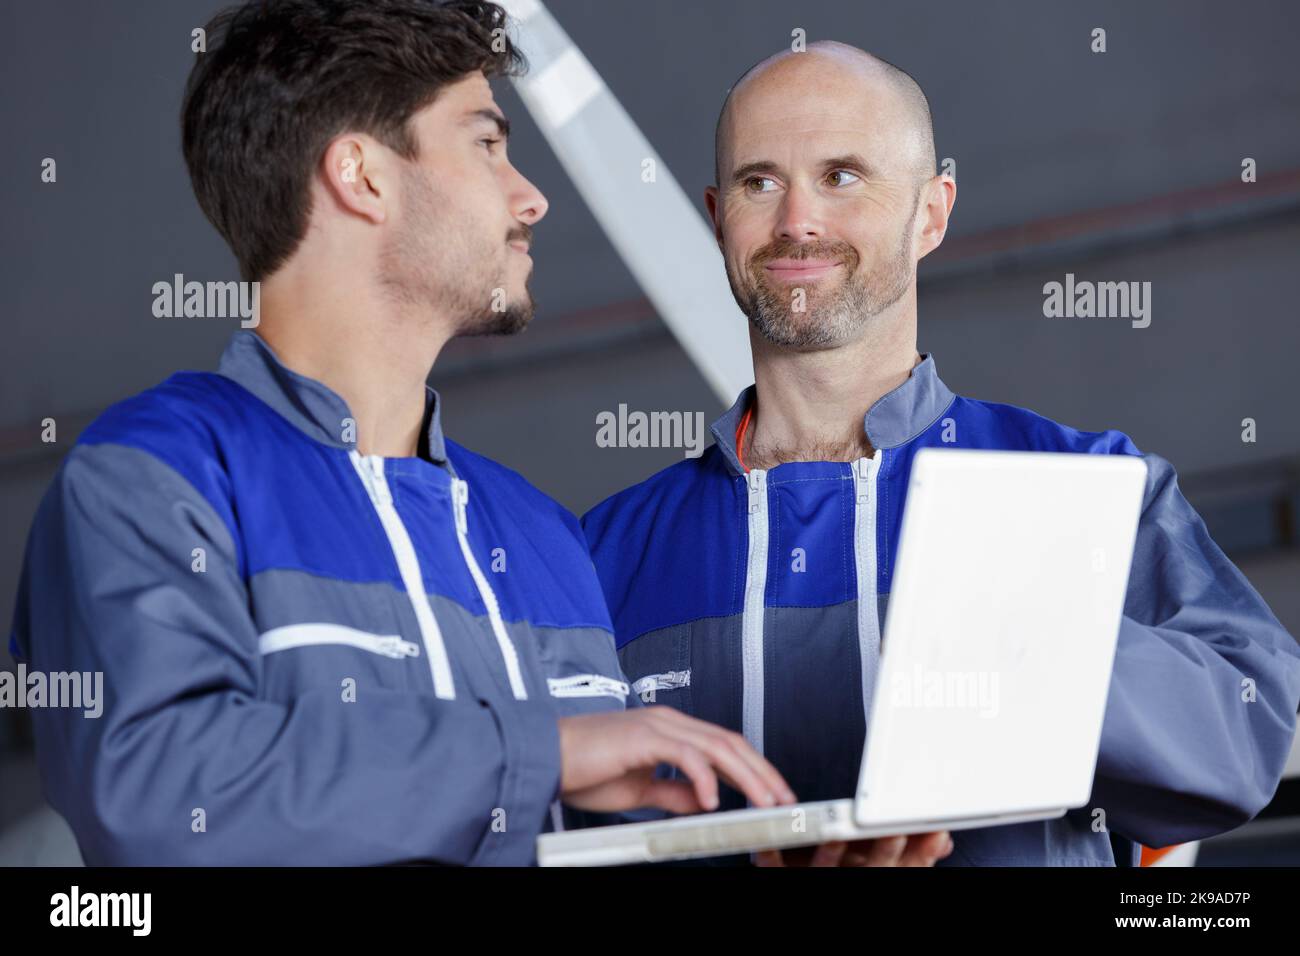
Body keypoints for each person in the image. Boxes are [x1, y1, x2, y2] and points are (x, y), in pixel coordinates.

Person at [7, 0, 796, 866]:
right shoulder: (152, 479)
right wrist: (537, 751)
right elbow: (158, 791)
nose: (531, 196)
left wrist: (780, 847)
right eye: (488, 144)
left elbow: (595, 836)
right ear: (362, 175)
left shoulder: (541, 534)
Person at [581, 41, 1300, 866]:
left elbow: (1249, 731)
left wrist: (1037, 647)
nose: (797, 221)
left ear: (932, 212)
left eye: (842, 176)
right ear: (717, 218)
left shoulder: (1083, 486)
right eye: (759, 182)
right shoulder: (601, 551)